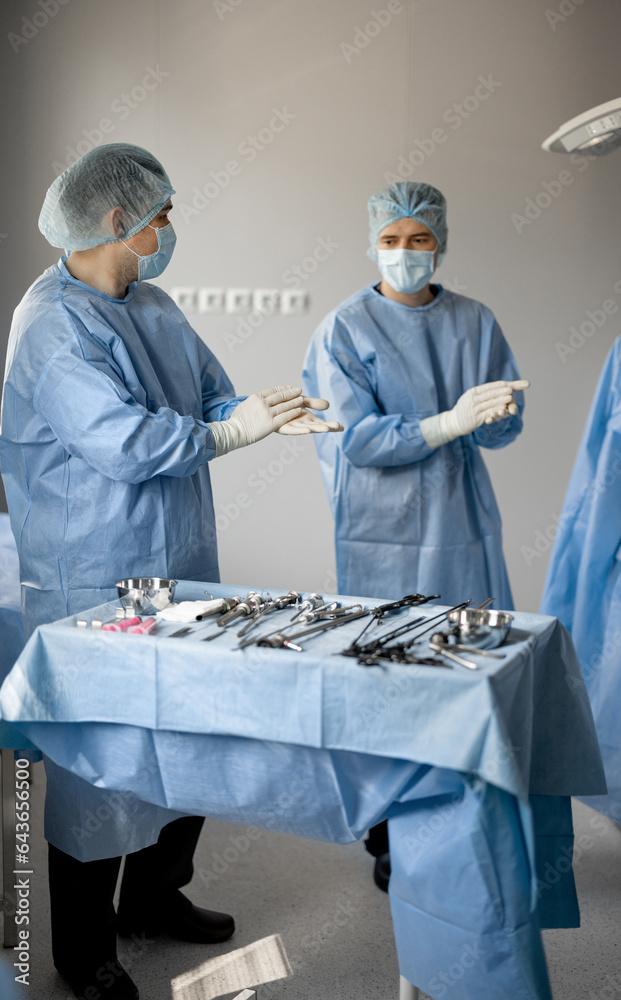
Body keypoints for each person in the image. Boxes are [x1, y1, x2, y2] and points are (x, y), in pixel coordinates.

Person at [0, 143, 341, 1000]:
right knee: (100, 766)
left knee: (187, 738)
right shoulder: (50, 327)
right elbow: (123, 443)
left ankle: (154, 898)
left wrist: (258, 412)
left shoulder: (151, 303)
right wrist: (233, 433)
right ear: (119, 221)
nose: (169, 227)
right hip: (92, 577)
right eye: (164, 213)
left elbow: (206, 397)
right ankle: (83, 950)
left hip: (179, 567)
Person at [302, 180, 528, 890]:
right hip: (380, 531)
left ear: (440, 242)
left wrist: (490, 418)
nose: (403, 253)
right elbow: (359, 441)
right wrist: (445, 423)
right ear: (372, 243)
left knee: (463, 667)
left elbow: (507, 422)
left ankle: (464, 818)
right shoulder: (342, 329)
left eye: (418, 239)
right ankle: (389, 836)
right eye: (391, 240)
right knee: (388, 678)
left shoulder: (475, 321)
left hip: (460, 525)